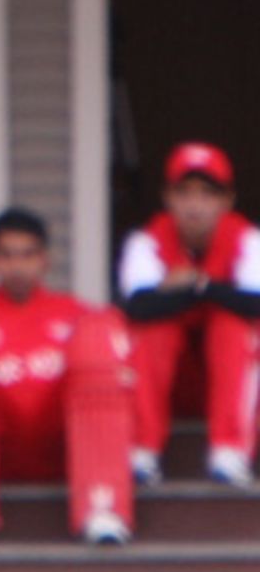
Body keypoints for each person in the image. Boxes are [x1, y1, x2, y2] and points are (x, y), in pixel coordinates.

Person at [0, 207, 134, 546]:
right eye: (7, 255)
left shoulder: (77, 314)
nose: (17, 266)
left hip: (64, 444)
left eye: (27, 255)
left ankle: (103, 504)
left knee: (100, 331)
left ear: (45, 260)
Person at [118, 142, 260, 488]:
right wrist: (208, 290)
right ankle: (143, 449)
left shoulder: (248, 239)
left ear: (227, 201)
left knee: (234, 324)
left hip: (232, 381)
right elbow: (137, 307)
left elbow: (255, 304)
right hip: (173, 383)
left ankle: (230, 451)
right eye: (184, 193)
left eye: (208, 194)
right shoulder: (146, 241)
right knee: (153, 329)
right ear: (168, 198)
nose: (195, 204)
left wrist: (197, 284)